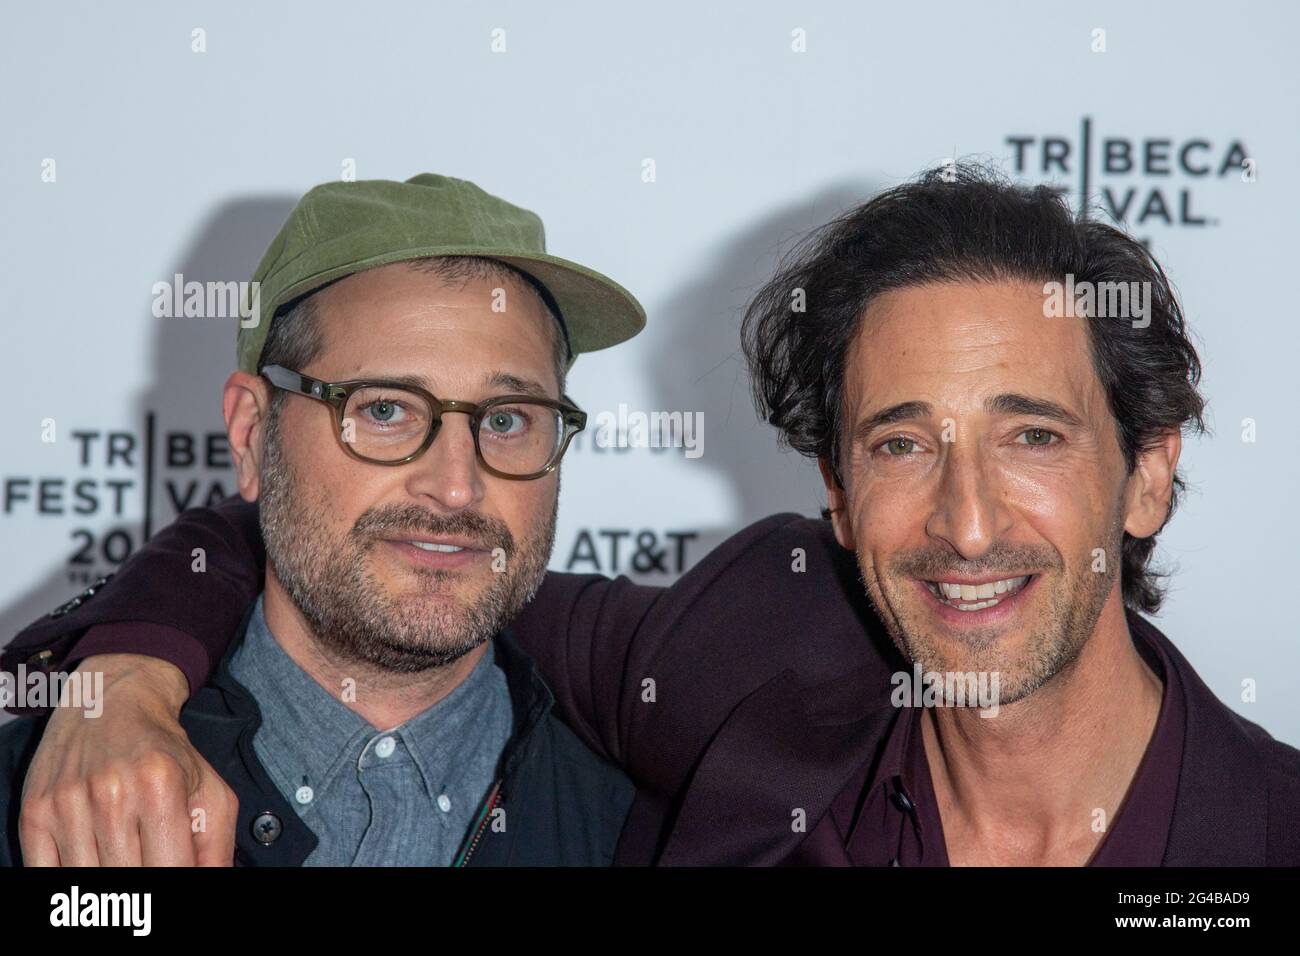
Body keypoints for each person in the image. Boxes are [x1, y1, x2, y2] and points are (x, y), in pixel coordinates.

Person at [7, 164, 1299, 866]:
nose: (966, 522)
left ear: (1148, 471)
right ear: (839, 497)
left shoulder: (646, 775)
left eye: (1031, 435)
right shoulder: (742, 703)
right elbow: (333, 553)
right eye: (387, 411)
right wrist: (115, 680)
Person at [0, 172, 645, 866]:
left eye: (508, 419)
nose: (457, 487)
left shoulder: (655, 828)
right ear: (252, 434)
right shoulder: (44, 817)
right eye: (385, 409)